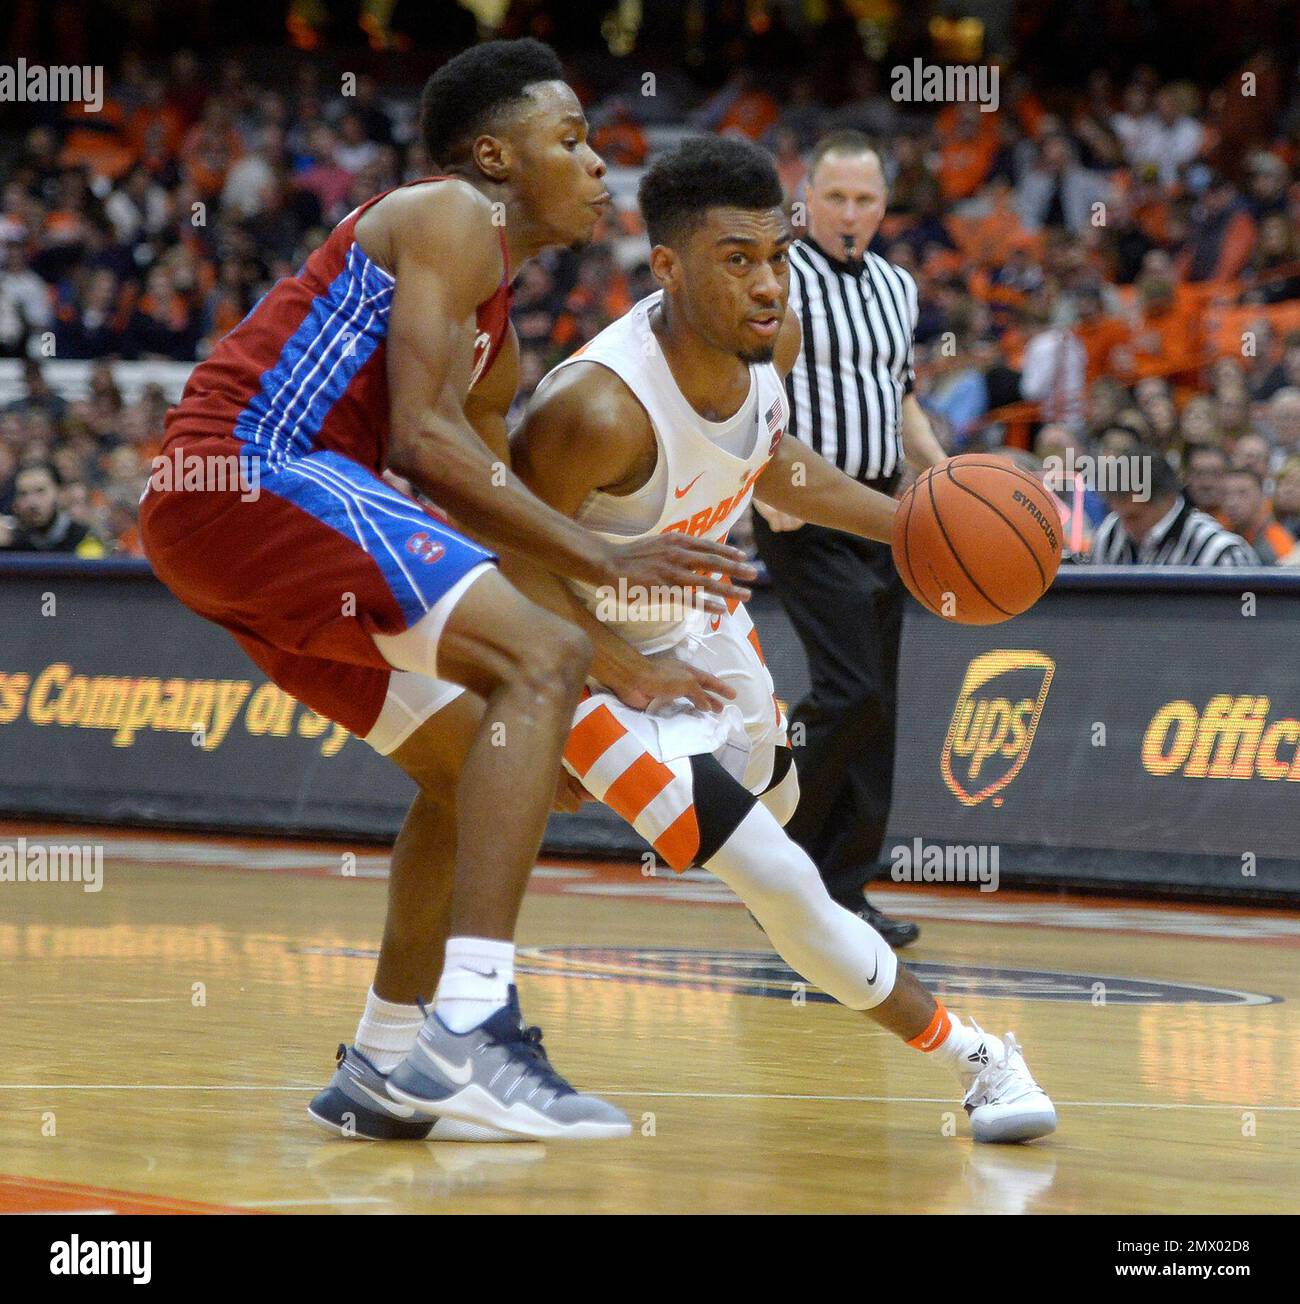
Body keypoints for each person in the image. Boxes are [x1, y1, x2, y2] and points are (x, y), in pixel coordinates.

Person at [327, 136, 1057, 1147]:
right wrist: (605, 672)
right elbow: (501, 555)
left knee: (732, 805)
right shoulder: (595, 406)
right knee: (779, 876)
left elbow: (768, 460)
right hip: (578, 648)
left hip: (703, 629)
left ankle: (377, 1052)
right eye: (735, 258)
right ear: (665, 266)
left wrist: (910, 523)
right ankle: (979, 1057)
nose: (766, 283)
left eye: (776, 254)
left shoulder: (777, 337)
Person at [139, 39, 753, 1142]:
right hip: (251, 468)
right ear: (493, 156)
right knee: (537, 672)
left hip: (230, 531)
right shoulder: (451, 214)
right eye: (568, 139)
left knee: (488, 757)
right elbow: (420, 445)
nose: (598, 162)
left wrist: (607, 662)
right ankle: (474, 1022)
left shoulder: (497, 341)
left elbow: (486, 509)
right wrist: (600, 571)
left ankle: (381, 1060)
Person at [752, 131, 947, 947]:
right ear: (806, 199)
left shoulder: (898, 287)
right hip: (804, 504)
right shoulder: (780, 279)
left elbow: (896, 397)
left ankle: (843, 893)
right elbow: (754, 385)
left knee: (881, 705)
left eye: (866, 200)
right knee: (851, 690)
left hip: (883, 510)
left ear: (883, 206)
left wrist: (946, 479)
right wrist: (769, 480)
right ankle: (773, 851)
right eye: (837, 198)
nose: (851, 214)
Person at [1088, 446, 1257, 565]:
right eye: (1119, 514)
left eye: (1134, 517)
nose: (1124, 526)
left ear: (1167, 500)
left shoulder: (1220, 552)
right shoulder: (1109, 534)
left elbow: (1249, 613)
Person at [0, 462, 106, 555]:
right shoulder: (11, 540)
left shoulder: (84, 539)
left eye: (40, 491)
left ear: (60, 494)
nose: (32, 503)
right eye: (23, 494)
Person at [1219, 467, 1295, 563]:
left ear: (1262, 497)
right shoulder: (1218, 531)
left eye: (1242, 493)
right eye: (1225, 494)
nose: (1231, 502)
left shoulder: (1277, 544)